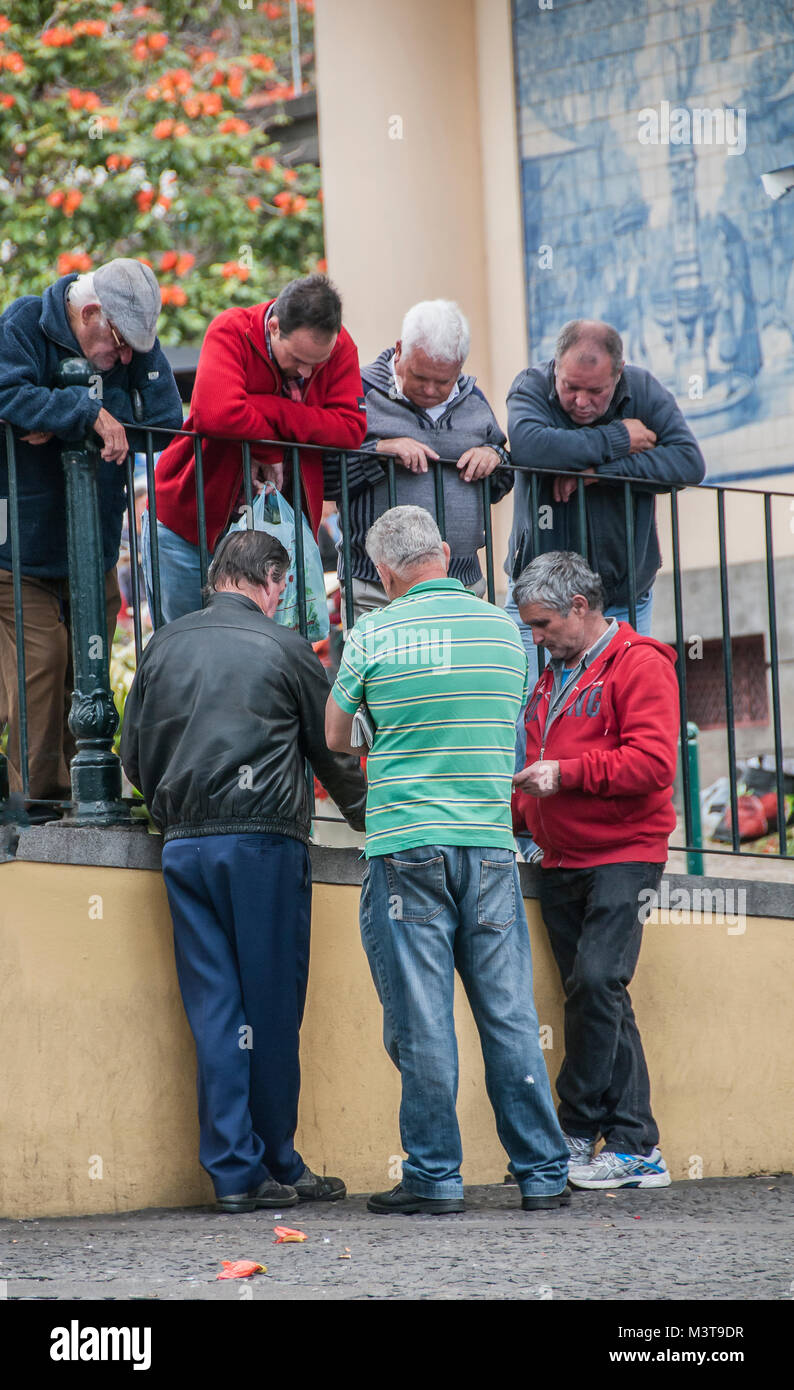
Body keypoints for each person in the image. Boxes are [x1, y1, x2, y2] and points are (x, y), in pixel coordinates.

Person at [325, 505, 569, 1214]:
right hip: (490, 845)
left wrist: (388, 727)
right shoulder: (505, 631)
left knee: (423, 1018)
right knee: (509, 1014)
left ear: (386, 570)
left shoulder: (373, 631)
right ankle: (543, 1172)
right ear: (445, 552)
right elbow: (509, 715)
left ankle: (434, 1177)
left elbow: (339, 738)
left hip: (406, 849)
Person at [121, 529, 367, 1213]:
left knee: (217, 1014)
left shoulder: (163, 645)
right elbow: (334, 750)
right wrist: (372, 818)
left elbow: (131, 758)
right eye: (284, 587)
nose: (284, 599)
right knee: (270, 1009)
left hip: (183, 846)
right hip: (261, 843)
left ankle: (234, 1174)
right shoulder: (286, 647)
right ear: (268, 579)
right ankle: (279, 1163)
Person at [512, 550, 679, 1189]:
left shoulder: (640, 666)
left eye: (544, 624)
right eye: (531, 626)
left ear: (580, 608)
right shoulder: (556, 672)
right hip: (558, 858)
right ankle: (635, 1144)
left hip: (623, 854)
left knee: (597, 983)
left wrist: (567, 775)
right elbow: (538, 760)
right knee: (603, 994)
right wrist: (520, 822)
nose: (536, 637)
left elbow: (655, 765)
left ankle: (579, 1128)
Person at [0, 259, 182, 804]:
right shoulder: (25, 322)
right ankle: (41, 804)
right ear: (91, 312)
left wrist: (72, 413)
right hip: (19, 552)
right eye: (120, 344)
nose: (127, 358)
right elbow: (6, 393)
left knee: (91, 665)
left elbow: (166, 422)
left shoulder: (133, 340)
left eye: (134, 351)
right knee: (44, 667)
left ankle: (85, 795)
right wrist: (85, 415)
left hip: (94, 544)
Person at [143, 273, 367, 623]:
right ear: (275, 327)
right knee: (184, 649)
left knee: (266, 659)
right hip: (189, 527)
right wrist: (273, 450)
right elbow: (215, 415)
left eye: (318, 363)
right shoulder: (232, 329)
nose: (308, 372)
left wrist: (262, 406)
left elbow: (350, 429)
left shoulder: (339, 348)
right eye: (297, 358)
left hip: (275, 542)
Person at [505, 318, 706, 663]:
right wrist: (620, 439)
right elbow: (530, 447)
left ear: (619, 374)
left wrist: (600, 472)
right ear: (555, 368)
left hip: (621, 598)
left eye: (596, 392)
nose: (581, 402)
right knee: (531, 712)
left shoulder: (642, 388)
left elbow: (688, 463)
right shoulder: (531, 386)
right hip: (538, 599)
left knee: (617, 710)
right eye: (570, 387)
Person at [327, 299, 514, 627]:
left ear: (459, 367)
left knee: (456, 677)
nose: (429, 390)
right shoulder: (358, 391)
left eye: (443, 382)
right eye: (419, 376)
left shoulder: (474, 400)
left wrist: (494, 458)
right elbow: (327, 474)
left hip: (460, 584)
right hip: (376, 586)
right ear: (399, 350)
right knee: (386, 677)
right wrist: (379, 452)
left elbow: (501, 481)